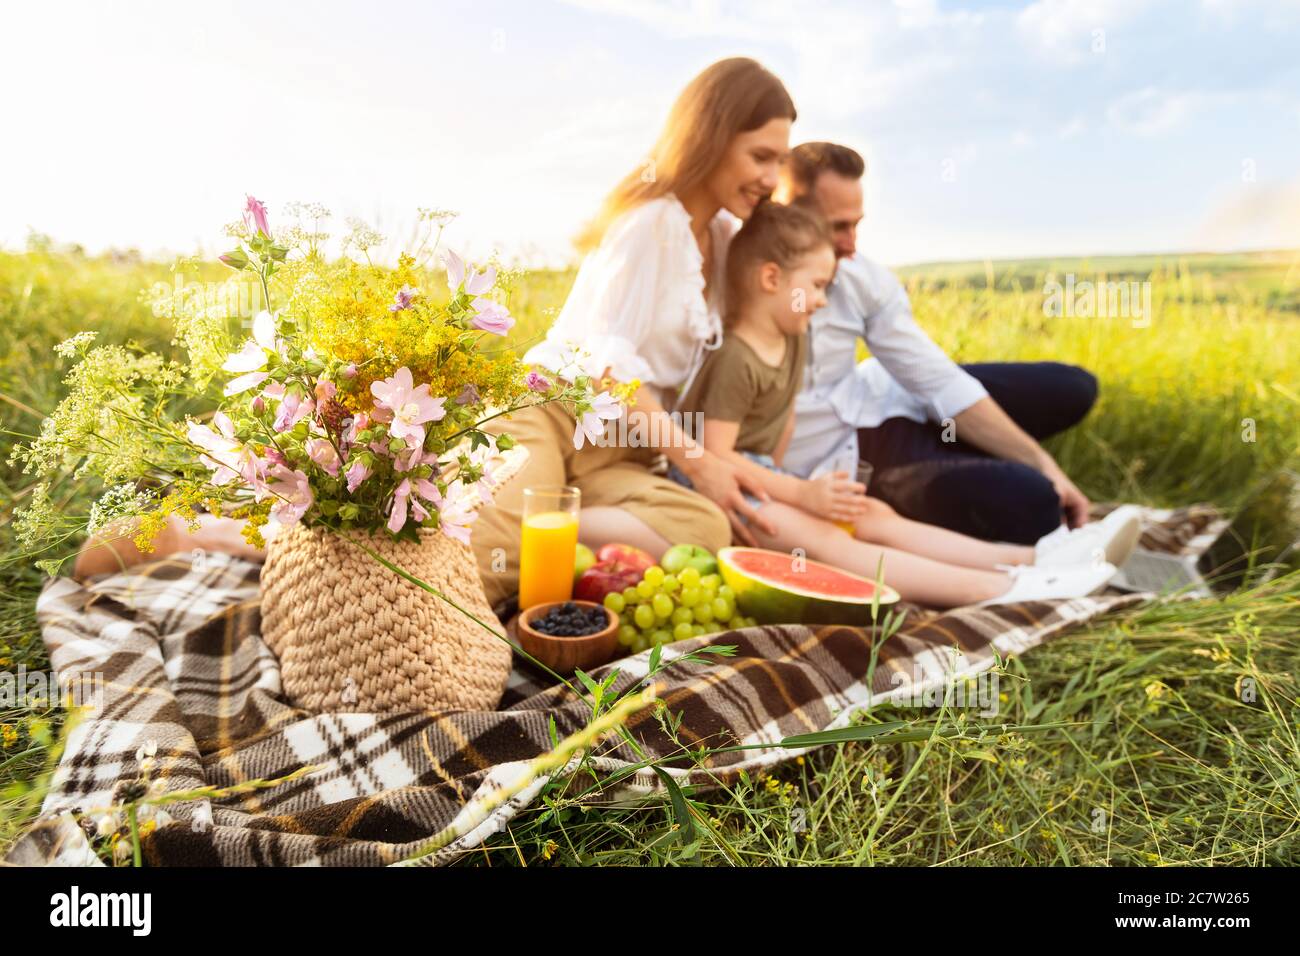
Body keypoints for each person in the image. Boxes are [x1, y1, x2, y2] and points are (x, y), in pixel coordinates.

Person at [666, 201, 1135, 607]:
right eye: (815, 286)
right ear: (772, 278)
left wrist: (806, 489)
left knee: (873, 515)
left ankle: (1039, 559)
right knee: (835, 543)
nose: (822, 302)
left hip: (761, 477)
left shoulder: (792, 342)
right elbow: (717, 456)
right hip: (714, 483)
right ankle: (998, 588)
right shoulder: (734, 359)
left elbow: (776, 441)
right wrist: (803, 497)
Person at [470, 57, 798, 608]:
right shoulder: (649, 222)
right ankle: (511, 543)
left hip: (618, 451)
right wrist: (699, 461)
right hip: (552, 411)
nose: (771, 179)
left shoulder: (722, 240)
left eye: (781, 161)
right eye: (760, 156)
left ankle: (550, 531)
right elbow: (604, 370)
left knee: (706, 527)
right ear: (712, 137)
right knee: (490, 552)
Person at [771, 142, 1100, 545]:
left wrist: (1044, 463)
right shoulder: (743, 285)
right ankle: (982, 470)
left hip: (890, 393)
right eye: (837, 226)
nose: (852, 243)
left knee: (1074, 388)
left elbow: (937, 381)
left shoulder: (863, 278)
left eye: (857, 224)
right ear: (783, 211)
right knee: (1035, 504)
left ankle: (986, 458)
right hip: (854, 455)